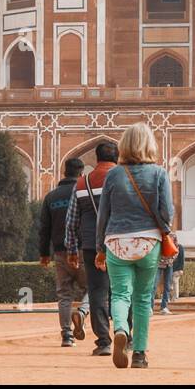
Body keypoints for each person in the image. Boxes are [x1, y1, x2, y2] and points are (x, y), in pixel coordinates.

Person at [96, 123, 175, 369]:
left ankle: (120, 329)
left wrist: (100, 247)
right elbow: (167, 212)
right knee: (142, 299)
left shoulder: (114, 174)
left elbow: (103, 215)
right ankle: (139, 353)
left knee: (120, 294)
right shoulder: (159, 173)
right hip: (148, 242)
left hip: (116, 240)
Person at [63, 141, 118, 356]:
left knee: (98, 292)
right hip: (120, 242)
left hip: (90, 245)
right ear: (117, 158)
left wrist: (71, 250)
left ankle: (103, 340)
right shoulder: (124, 178)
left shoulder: (82, 182)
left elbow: (71, 220)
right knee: (124, 290)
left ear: (96, 159)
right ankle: (127, 334)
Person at [39, 158, 87, 348]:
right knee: (93, 289)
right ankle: (82, 312)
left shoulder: (52, 197)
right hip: (84, 250)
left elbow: (44, 228)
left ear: (63, 172)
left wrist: (44, 253)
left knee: (64, 295)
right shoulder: (84, 193)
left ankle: (67, 335)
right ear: (82, 173)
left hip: (60, 252)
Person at [158, 243, 185, 315]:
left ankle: (166, 305)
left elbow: (178, 253)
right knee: (156, 284)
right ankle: (150, 307)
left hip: (170, 265)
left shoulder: (178, 243)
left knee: (169, 284)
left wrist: (172, 260)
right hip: (159, 264)